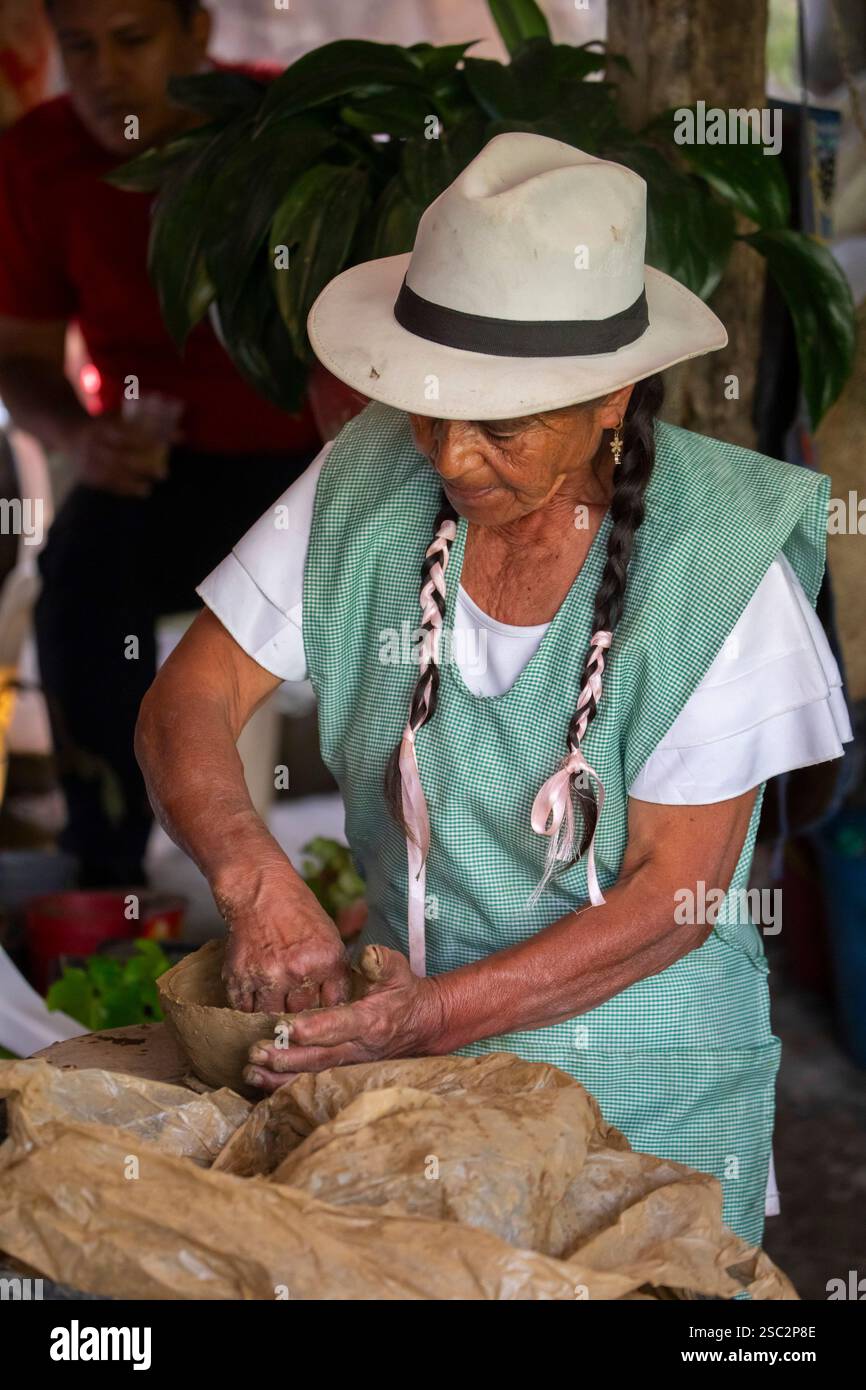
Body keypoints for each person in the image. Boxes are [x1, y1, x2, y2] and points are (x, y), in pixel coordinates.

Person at [135, 134, 852, 1249]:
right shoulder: (373, 470)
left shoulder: (717, 561)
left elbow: (673, 901)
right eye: (430, 410)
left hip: (642, 1088)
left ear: (611, 395)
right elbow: (189, 694)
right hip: (402, 1071)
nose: (451, 457)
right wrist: (252, 873)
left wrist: (432, 1014)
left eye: (499, 427)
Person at [0, 0, 320, 886]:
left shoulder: (290, 130)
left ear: (198, 32)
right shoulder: (36, 159)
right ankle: (107, 871)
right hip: (162, 470)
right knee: (77, 575)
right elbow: (22, 355)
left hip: (319, 460)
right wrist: (79, 435)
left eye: (133, 41)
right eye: (79, 47)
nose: (104, 71)